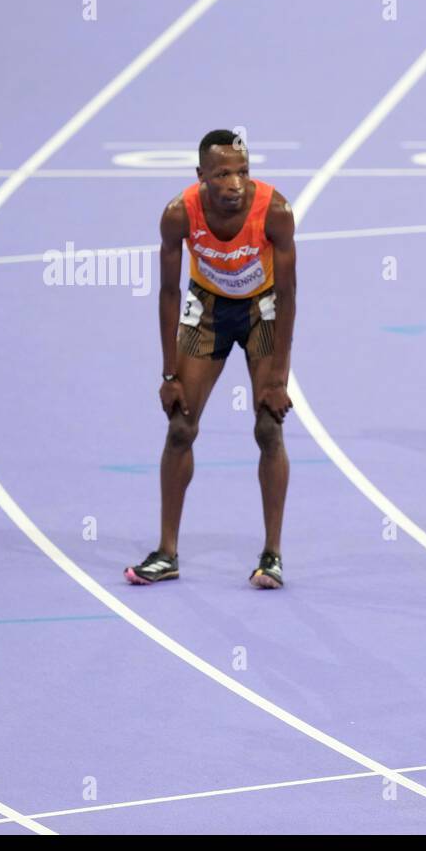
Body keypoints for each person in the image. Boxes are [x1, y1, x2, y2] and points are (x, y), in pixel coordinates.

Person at [125, 129, 297, 589]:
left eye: (242, 172)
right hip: (207, 312)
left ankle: (272, 555)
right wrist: (168, 373)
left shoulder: (275, 212)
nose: (235, 183)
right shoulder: (179, 215)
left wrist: (278, 377)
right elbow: (167, 291)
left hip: (262, 311)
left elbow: (288, 292)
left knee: (267, 427)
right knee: (180, 425)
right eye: (223, 173)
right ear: (201, 176)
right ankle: (167, 553)